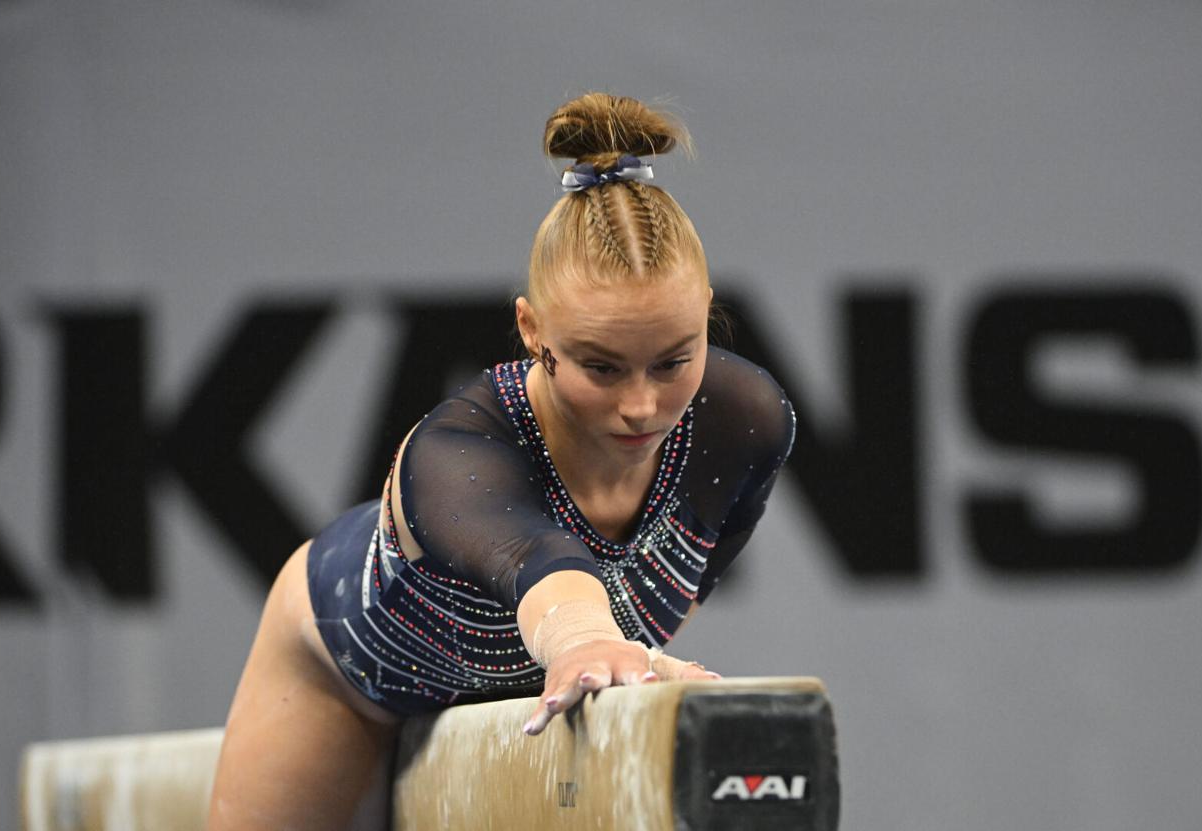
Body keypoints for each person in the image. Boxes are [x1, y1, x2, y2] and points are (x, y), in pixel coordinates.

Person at [207, 92, 796, 830]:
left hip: (528, 700)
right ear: (531, 328)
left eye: (673, 360)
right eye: (602, 367)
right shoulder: (460, 449)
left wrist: (627, 660)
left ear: (707, 308)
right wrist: (586, 640)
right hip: (344, 675)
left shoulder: (745, 424)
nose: (643, 405)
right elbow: (541, 563)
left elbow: (686, 580)